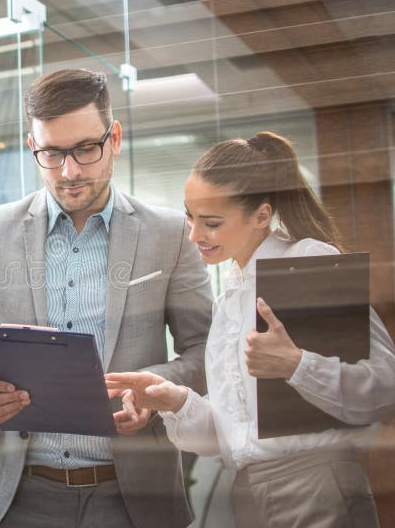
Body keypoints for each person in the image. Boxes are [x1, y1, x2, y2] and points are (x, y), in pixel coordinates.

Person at [0, 69, 214, 528]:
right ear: (32, 147)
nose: (70, 171)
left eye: (85, 149)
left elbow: (205, 350)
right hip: (10, 497)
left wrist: (151, 386)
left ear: (114, 138)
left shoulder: (171, 234)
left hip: (132, 498)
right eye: (52, 153)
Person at [106, 131, 395, 527]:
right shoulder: (228, 302)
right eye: (189, 216)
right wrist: (175, 401)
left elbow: (384, 388)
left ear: (261, 215)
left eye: (211, 222)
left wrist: (296, 365)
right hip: (247, 495)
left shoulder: (309, 261)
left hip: (315, 488)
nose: (193, 235)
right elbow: (233, 438)